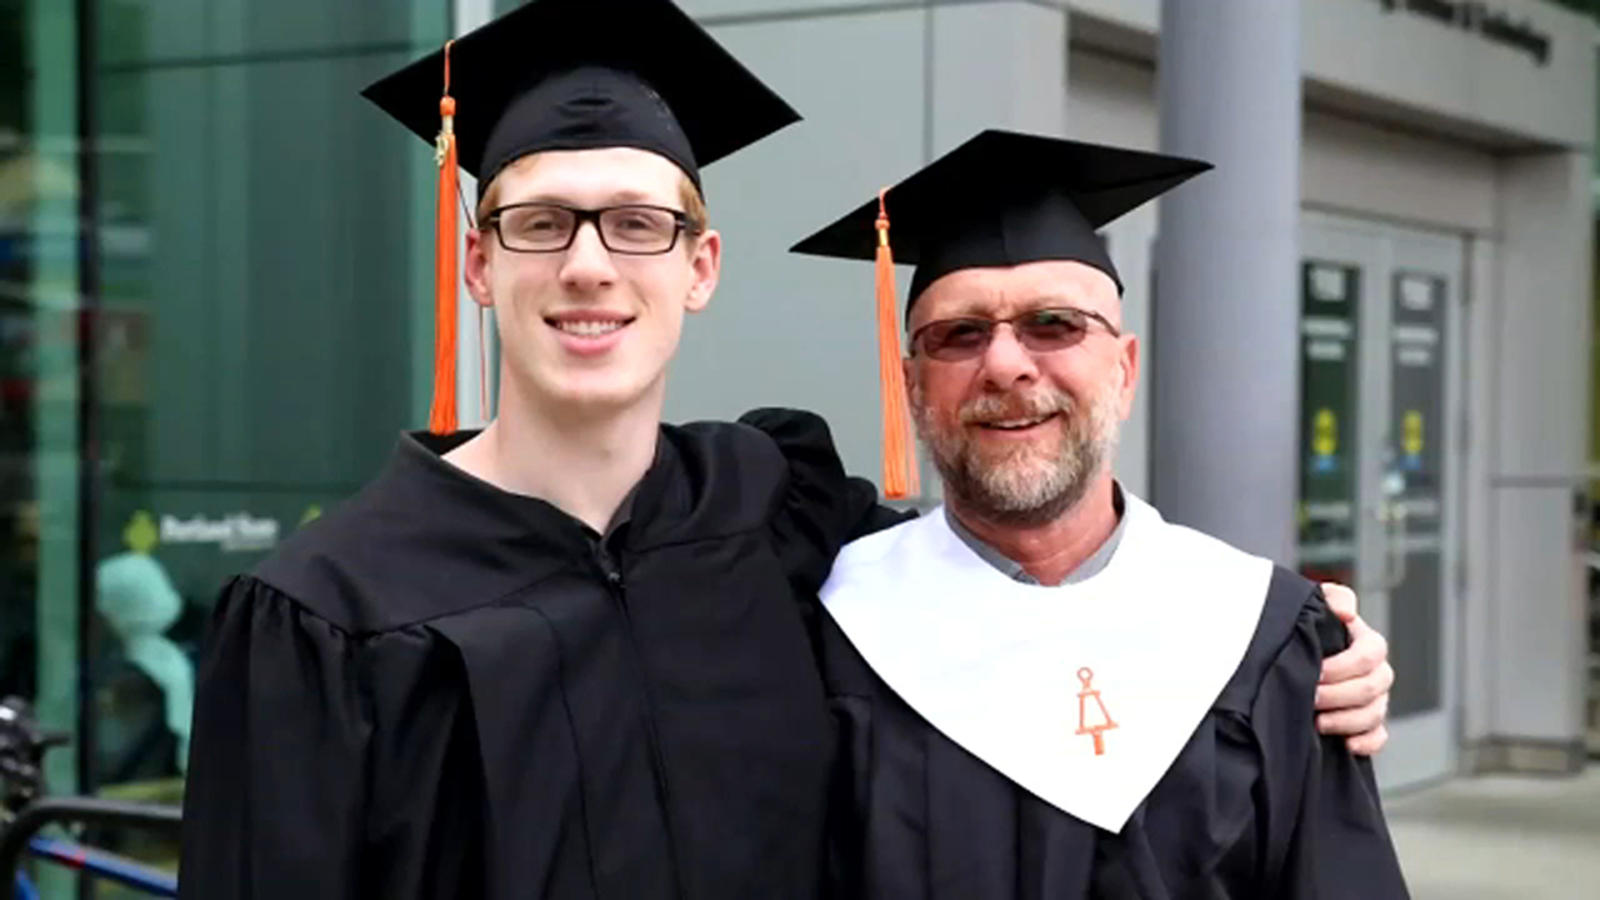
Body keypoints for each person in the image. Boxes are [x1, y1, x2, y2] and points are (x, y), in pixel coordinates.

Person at [177, 1, 1394, 894]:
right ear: (477, 262)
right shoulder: (320, 619)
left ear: (700, 266)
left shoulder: (772, 514)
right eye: (541, 223)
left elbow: (1018, 556)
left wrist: (1302, 639)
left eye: (638, 223)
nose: (589, 264)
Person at [792, 130, 1411, 898]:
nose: (1006, 364)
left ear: (1124, 371)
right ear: (913, 389)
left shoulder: (1264, 636)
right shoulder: (832, 627)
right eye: (960, 334)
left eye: (1054, 324)